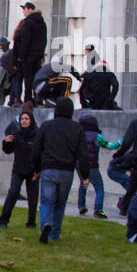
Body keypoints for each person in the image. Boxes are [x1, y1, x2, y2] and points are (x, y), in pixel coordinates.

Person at [31, 96, 90, 244]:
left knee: (46, 201)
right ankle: (55, 233)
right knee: (60, 203)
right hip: (67, 170)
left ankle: (46, 224)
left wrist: (37, 168)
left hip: (49, 168)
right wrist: (85, 175)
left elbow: (36, 149)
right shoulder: (78, 129)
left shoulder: (46, 126)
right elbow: (83, 154)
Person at [0, 108, 39, 229]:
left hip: (33, 170)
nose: (24, 121)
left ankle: (31, 222)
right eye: (22, 119)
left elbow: (42, 152)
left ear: (31, 121)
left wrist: (39, 169)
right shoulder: (16, 133)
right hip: (18, 169)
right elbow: (7, 151)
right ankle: (3, 220)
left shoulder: (37, 134)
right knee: (13, 192)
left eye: (26, 119)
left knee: (33, 198)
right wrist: (7, 142)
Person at [75, 112, 120, 218]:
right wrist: (120, 142)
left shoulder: (78, 134)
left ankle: (81, 206)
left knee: (83, 184)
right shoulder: (97, 136)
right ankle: (98, 209)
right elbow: (110, 146)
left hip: (79, 165)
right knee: (99, 187)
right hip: (92, 166)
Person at [12, 2, 48, 104]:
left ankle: (28, 99)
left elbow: (25, 40)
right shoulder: (42, 23)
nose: (23, 11)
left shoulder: (28, 22)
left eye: (24, 9)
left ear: (29, 9)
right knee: (37, 78)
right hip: (38, 55)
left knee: (28, 78)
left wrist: (20, 57)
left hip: (28, 56)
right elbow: (44, 40)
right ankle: (38, 99)